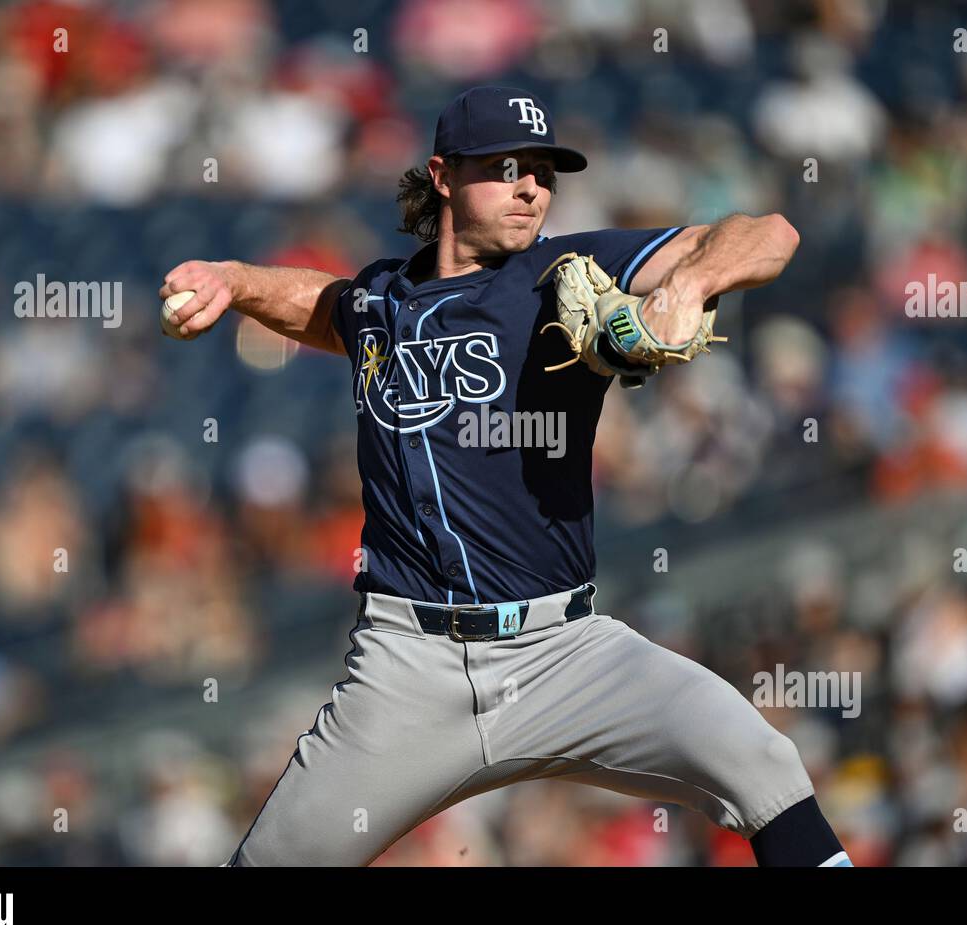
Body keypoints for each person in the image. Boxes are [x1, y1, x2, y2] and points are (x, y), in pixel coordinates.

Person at [161, 86, 850, 867]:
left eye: (545, 172)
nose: (531, 186)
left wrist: (688, 287)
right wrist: (234, 280)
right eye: (506, 166)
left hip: (567, 651)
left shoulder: (561, 274)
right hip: (406, 670)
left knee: (765, 767)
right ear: (444, 175)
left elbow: (769, 232)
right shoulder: (380, 302)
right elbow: (321, 305)